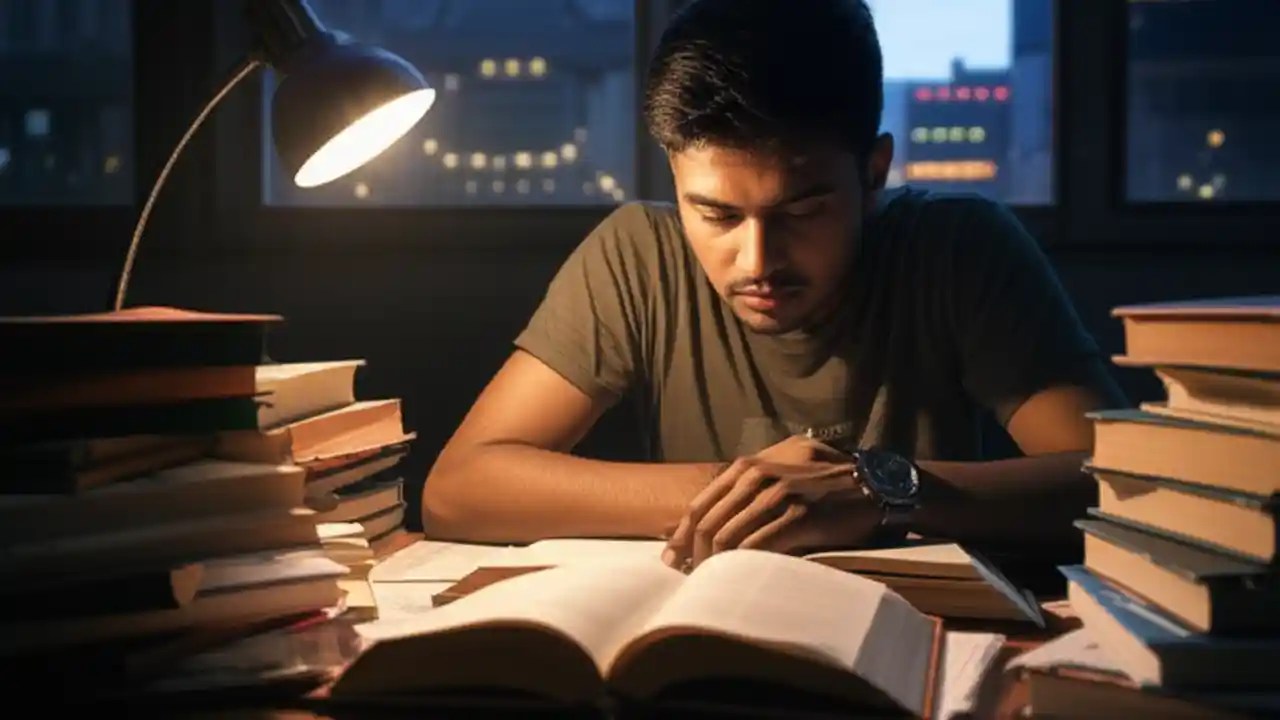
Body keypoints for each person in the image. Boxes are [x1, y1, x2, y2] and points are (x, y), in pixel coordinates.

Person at [421, 0, 1127, 571]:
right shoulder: (638, 257)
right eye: (716, 214)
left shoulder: (959, 248)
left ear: (874, 172)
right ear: (674, 176)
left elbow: (1122, 488)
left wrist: (875, 488)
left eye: (802, 210)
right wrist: (751, 493)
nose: (757, 260)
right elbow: (458, 490)